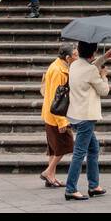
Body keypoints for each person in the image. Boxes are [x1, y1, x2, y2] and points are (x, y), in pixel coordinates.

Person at [65, 40, 111, 200]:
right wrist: (104, 76)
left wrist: (103, 58)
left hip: (75, 114)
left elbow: (89, 66)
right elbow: (104, 91)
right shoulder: (92, 71)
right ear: (93, 52)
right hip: (86, 117)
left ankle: (94, 185)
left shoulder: (75, 65)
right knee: (79, 153)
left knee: (93, 148)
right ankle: (71, 188)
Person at [40, 41, 77, 188]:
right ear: (67, 57)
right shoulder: (58, 71)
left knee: (54, 148)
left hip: (50, 115)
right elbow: (57, 99)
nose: (77, 56)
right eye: (75, 54)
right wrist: (62, 121)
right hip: (56, 116)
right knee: (66, 145)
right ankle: (48, 172)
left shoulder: (58, 66)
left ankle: (51, 177)